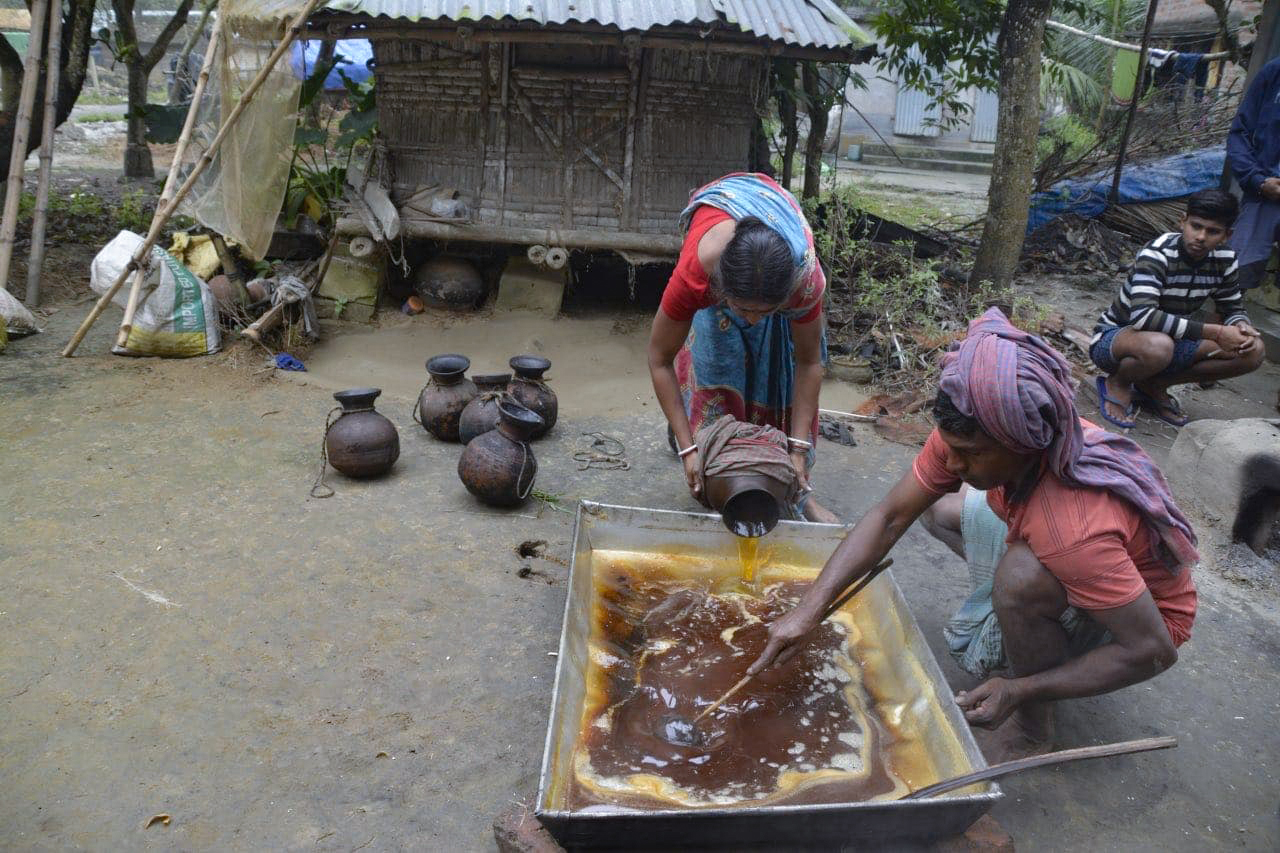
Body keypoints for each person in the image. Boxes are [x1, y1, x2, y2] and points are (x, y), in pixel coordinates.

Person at [748, 309, 1198, 762]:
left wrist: (1021, 688)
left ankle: (1032, 724)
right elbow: (889, 518)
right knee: (941, 509)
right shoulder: (983, 432)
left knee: (1020, 578)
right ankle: (1026, 617)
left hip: (1139, 624)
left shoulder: (1072, 527)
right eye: (952, 448)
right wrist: (808, 611)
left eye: (972, 454)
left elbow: (1152, 651)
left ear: (1025, 442)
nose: (955, 464)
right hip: (1070, 554)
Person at [647, 172, 838, 523]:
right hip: (724, 264)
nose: (752, 320)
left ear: (785, 300)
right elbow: (659, 359)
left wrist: (797, 450)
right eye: (742, 309)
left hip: (776, 263)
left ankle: (797, 492)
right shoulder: (697, 273)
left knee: (779, 380)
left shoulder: (804, 279)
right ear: (718, 290)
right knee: (717, 376)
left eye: (763, 312)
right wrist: (688, 449)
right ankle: (720, 477)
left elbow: (810, 363)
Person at [1090, 189, 1264, 428]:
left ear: (1227, 235)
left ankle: (1155, 385)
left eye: (1212, 231)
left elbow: (1232, 306)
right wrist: (1216, 333)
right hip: (1116, 341)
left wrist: (1240, 325)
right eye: (1196, 226)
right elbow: (1144, 318)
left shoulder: (1225, 260)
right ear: (1183, 222)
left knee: (1253, 351)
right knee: (1159, 346)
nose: (1201, 237)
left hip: (1175, 341)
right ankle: (1118, 383)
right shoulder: (1158, 253)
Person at [1227, 55, 1280, 294]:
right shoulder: (1274, 72)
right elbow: (1239, 134)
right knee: (1233, 281)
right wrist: (1257, 181)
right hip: (1264, 194)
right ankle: (1217, 332)